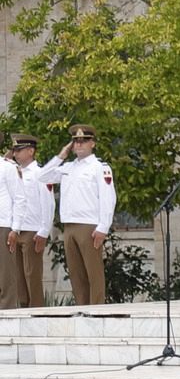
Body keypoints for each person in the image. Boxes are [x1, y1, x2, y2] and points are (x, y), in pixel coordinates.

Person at [34, 127, 116, 304]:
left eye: (84, 140)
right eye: (76, 141)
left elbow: (108, 198)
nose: (79, 144)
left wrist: (103, 227)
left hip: (89, 225)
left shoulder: (99, 168)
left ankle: (97, 309)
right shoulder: (68, 167)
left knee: (93, 272)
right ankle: (82, 307)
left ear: (92, 143)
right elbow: (41, 177)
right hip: (69, 226)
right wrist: (60, 156)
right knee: (76, 273)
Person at [5, 135, 51, 307]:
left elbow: (48, 203)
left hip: (33, 229)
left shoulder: (40, 173)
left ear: (31, 151)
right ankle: (23, 310)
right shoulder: (14, 171)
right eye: (14, 150)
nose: (15, 153)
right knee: (17, 276)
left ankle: (37, 311)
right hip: (16, 229)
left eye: (19, 150)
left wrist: (44, 231)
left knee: (32, 275)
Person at [0, 132, 23, 309]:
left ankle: (7, 313)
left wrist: (15, 229)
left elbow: (19, 198)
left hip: (3, 225)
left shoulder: (7, 167)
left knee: (5, 275)